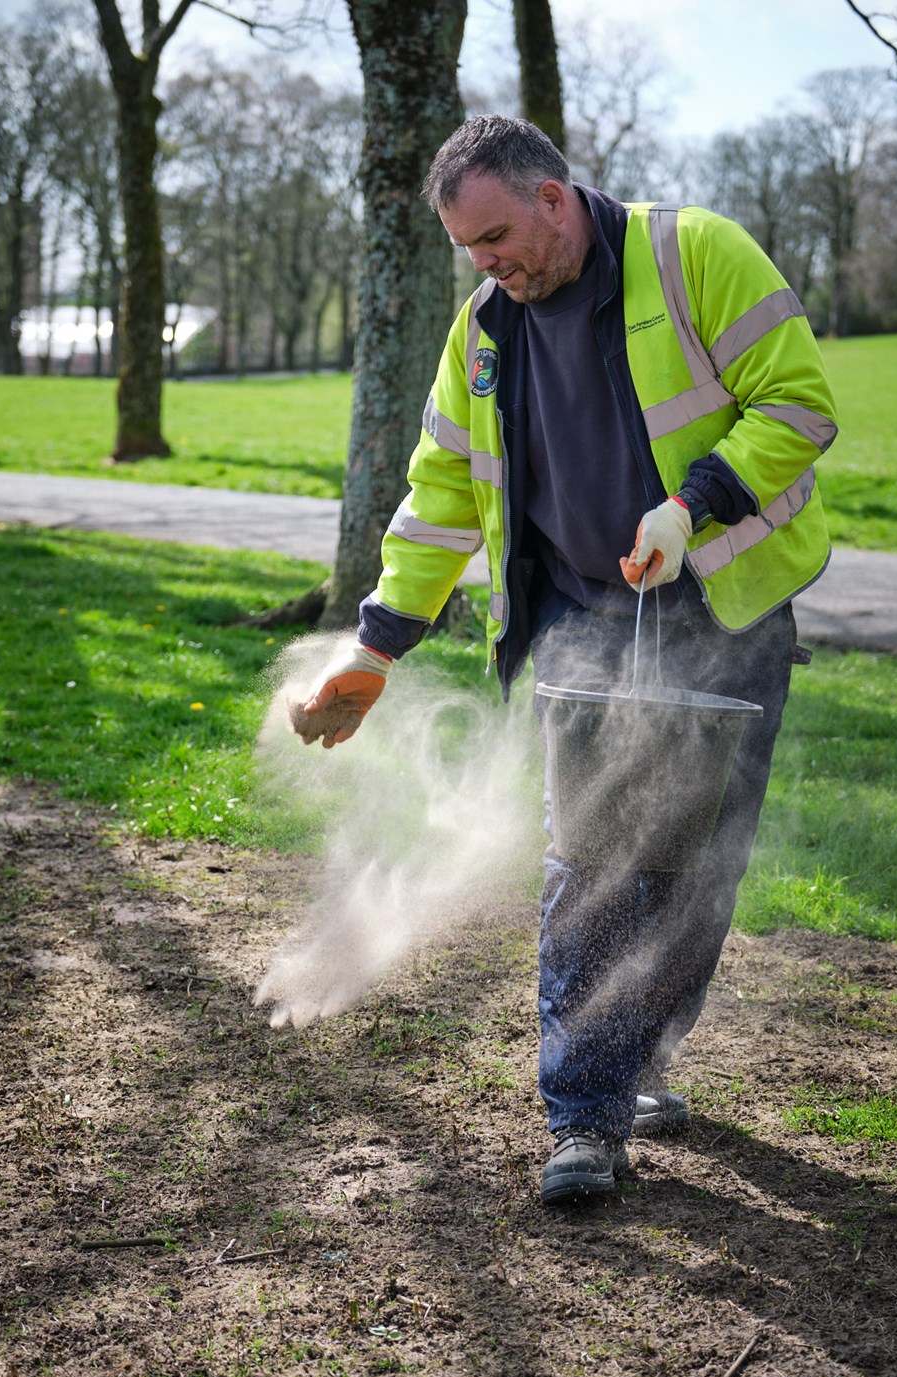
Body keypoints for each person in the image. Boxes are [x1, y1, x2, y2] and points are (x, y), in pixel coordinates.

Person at [294, 115, 838, 1206]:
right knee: (589, 863)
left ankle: (638, 1058)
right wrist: (375, 647)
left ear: (553, 197)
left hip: (722, 611)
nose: (487, 263)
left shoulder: (696, 257)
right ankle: (581, 1118)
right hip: (579, 625)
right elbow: (439, 497)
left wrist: (694, 508)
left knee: (695, 867)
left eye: (497, 235)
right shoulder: (485, 329)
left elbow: (797, 404)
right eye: (468, 249)